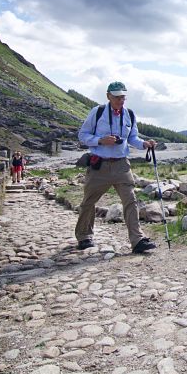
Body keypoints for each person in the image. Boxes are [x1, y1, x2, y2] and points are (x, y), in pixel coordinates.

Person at [75, 81, 157, 253]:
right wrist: (100, 141)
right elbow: (83, 135)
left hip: (121, 165)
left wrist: (144, 144)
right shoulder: (97, 112)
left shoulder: (129, 114)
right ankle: (84, 236)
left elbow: (132, 137)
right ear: (108, 96)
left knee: (131, 201)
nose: (120, 100)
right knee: (89, 202)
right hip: (99, 165)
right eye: (117, 97)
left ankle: (137, 240)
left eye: (122, 97)